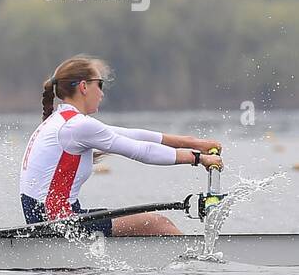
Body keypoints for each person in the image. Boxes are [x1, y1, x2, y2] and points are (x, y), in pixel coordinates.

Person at [21, 54, 223, 236]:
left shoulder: (63, 120)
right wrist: (199, 159)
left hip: (51, 219)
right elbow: (142, 151)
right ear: (83, 87)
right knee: (159, 225)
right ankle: (196, 270)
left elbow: (134, 135)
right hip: (58, 223)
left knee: (141, 222)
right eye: (99, 85)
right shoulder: (77, 126)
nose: (101, 93)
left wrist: (194, 143)